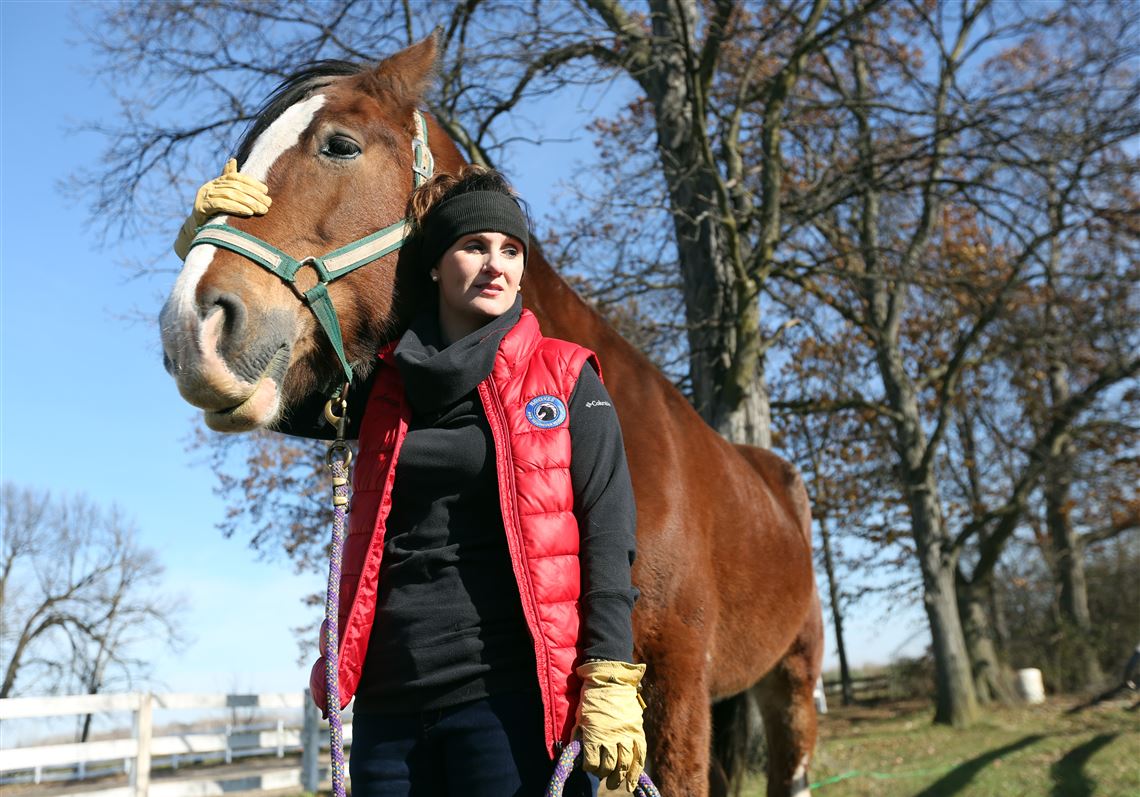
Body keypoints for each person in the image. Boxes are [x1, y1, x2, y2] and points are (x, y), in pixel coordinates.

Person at [179, 163, 646, 795]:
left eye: (511, 250)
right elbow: (236, 377)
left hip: (512, 700)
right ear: (434, 266)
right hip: (389, 705)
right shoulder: (379, 385)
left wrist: (610, 671)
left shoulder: (565, 376)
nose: (496, 265)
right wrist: (208, 240)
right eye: (474, 246)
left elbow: (607, 529)